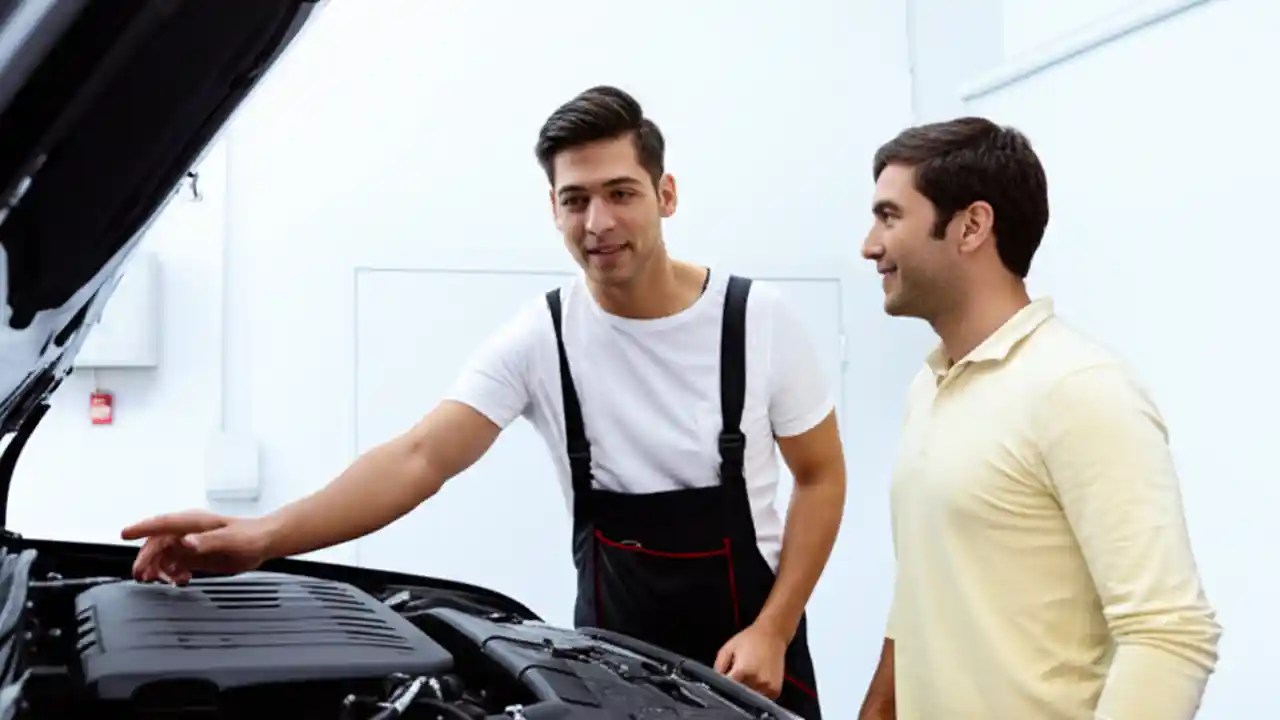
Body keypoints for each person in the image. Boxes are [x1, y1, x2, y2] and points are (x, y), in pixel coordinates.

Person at [121, 85, 845, 719]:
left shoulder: (758, 321)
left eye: (621, 193)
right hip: (614, 659)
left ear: (666, 195)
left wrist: (775, 628)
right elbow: (420, 456)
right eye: (576, 199)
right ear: (553, 208)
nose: (598, 223)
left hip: (755, 656)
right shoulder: (544, 336)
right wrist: (262, 537)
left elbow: (819, 478)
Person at [855, 116, 1222, 719]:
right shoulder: (930, 384)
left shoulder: (1079, 389)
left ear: (972, 226)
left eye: (890, 216)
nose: (870, 244)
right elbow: (928, 582)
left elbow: (1170, 632)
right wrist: (882, 705)